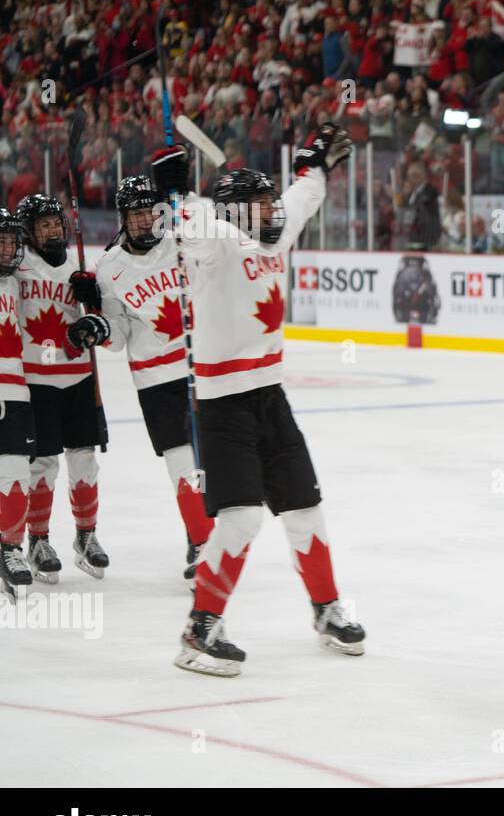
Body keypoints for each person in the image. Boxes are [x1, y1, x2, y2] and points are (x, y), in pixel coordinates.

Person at [149, 125, 366, 677]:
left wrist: (314, 162)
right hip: (222, 407)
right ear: (234, 212)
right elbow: (191, 226)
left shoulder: (271, 232)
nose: (273, 211)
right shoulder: (217, 244)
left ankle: (326, 610)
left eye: (272, 202)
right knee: (242, 518)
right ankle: (200, 630)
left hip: (270, 398)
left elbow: (303, 198)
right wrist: (174, 192)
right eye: (261, 203)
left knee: (304, 508)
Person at [65, 176, 213, 586]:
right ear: (123, 218)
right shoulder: (110, 267)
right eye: (136, 214)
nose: (146, 220)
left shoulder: (183, 244)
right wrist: (96, 322)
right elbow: (119, 334)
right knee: (182, 465)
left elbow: (217, 233)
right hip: (155, 381)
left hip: (199, 369)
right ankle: (203, 544)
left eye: (151, 211)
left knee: (209, 462)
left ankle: (201, 536)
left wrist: (182, 188)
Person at [14, 193, 109, 584]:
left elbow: (102, 328)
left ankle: (86, 536)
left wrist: (94, 305)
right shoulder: (17, 269)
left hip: (78, 381)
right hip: (38, 383)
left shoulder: (77, 268)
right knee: (43, 464)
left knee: (84, 459)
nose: (53, 230)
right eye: (44, 225)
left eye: (56, 223)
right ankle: (38, 541)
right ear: (29, 234)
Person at [0, 209, 34, 599]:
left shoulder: (16, 284)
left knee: (15, 474)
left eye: (12, 241)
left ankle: (11, 548)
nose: (9, 249)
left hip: (16, 390)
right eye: (2, 241)